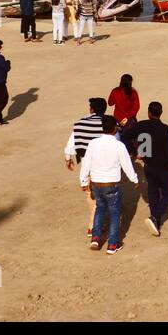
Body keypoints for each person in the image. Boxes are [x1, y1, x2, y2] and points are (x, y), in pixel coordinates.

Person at [122, 101, 168, 237]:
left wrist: (135, 151)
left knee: (153, 190)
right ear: (160, 113)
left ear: (149, 113)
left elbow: (125, 136)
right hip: (163, 167)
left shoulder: (141, 125)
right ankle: (154, 217)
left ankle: (155, 219)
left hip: (148, 166)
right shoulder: (164, 129)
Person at [79, 114, 138, 254]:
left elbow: (86, 163)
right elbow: (127, 165)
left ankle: (95, 238)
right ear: (114, 129)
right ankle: (113, 244)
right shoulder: (118, 145)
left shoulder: (93, 143)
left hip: (96, 183)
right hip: (111, 184)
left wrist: (83, 180)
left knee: (100, 208)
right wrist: (134, 179)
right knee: (114, 213)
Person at [64, 97, 108, 236]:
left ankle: (92, 225)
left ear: (91, 109)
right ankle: (97, 225)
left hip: (88, 167)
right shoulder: (108, 123)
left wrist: (68, 158)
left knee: (91, 195)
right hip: (106, 166)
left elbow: (71, 144)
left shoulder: (80, 123)